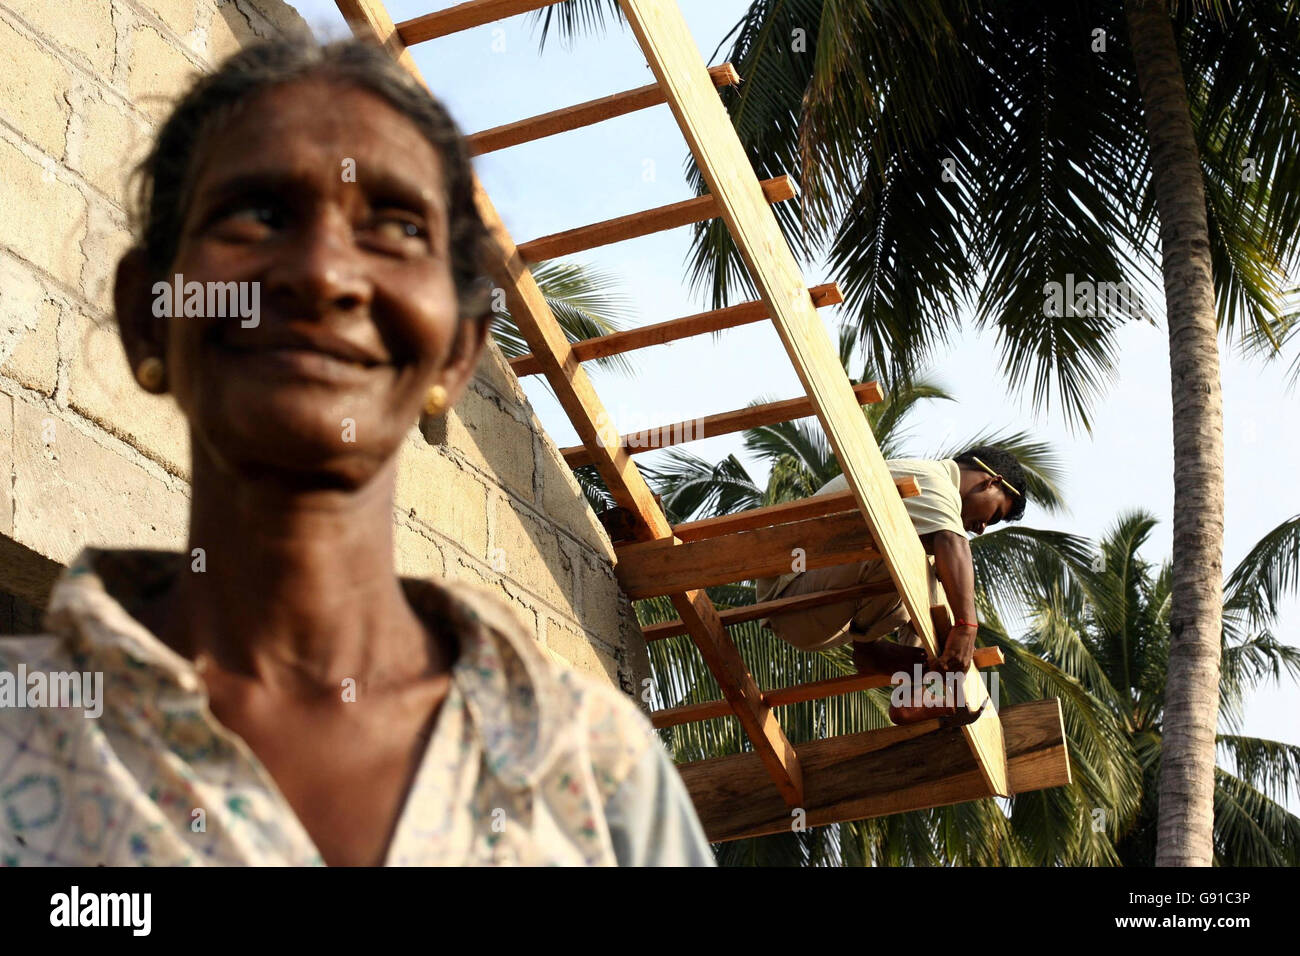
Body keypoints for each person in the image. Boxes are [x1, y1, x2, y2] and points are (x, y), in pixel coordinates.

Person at [0, 39, 713, 867]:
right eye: (256, 214)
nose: (323, 272)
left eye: (397, 227)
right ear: (147, 315)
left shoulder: (594, 769)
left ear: (456, 352)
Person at [754, 447, 1027, 720]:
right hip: (791, 593)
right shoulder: (931, 480)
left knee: (935, 579)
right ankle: (903, 669)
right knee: (918, 557)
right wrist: (966, 627)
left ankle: (915, 684)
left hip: (822, 613)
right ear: (992, 481)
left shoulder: (934, 505)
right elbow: (952, 542)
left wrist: (940, 662)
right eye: (995, 516)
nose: (981, 529)